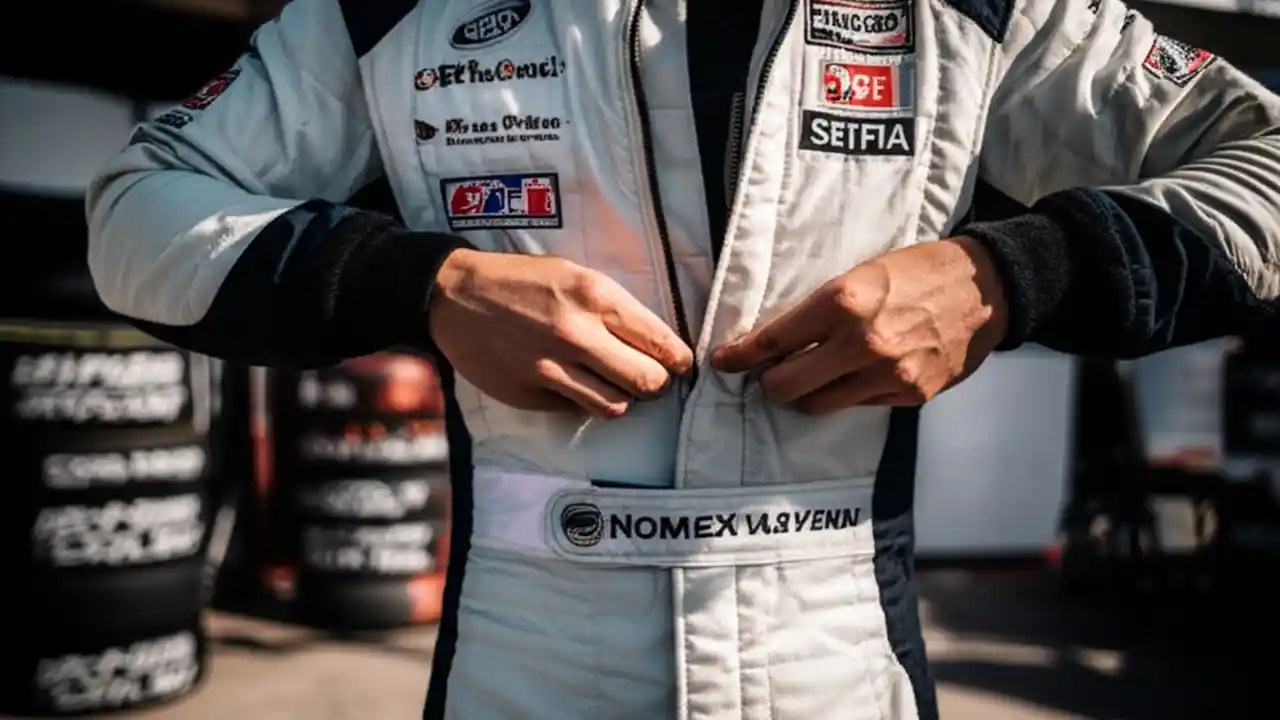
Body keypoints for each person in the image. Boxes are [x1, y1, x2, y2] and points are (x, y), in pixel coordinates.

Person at [86, 0, 1278, 717]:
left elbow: (1261, 157)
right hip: (524, 672)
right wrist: (421, 284)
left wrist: (1009, 275)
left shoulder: (971, 7)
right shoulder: (392, 10)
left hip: (842, 670)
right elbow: (138, 208)